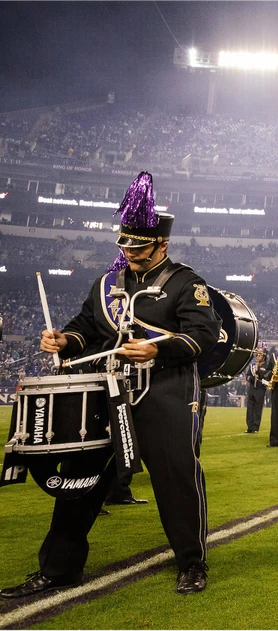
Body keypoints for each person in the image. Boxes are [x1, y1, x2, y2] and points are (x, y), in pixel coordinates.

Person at [2, 172, 219, 597]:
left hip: (167, 389)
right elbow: (86, 329)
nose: (131, 254)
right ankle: (58, 568)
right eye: (126, 246)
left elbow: (204, 336)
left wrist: (158, 348)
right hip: (108, 389)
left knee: (175, 475)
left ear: (162, 245)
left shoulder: (185, 283)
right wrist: (64, 340)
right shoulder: (106, 284)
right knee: (80, 475)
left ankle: (192, 564)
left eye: (139, 247)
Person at [244, 344, 268, 433]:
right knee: (250, 408)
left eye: (260, 355)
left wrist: (259, 373)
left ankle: (255, 427)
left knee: (258, 408)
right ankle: (249, 427)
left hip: (260, 389)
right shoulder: (252, 366)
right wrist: (250, 378)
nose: (258, 356)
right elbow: (248, 376)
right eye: (257, 354)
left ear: (264, 356)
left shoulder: (266, 366)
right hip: (252, 389)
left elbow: (266, 377)